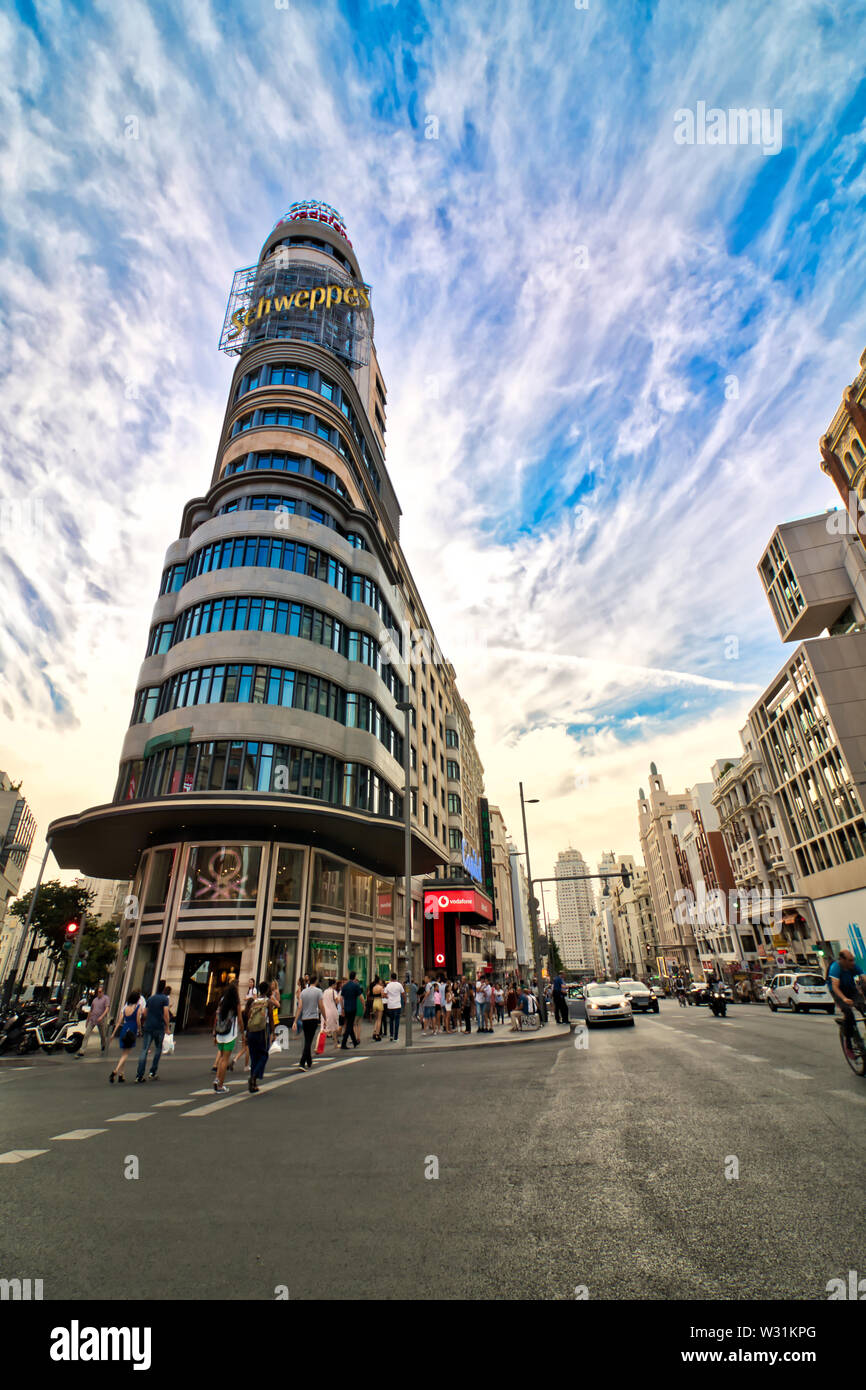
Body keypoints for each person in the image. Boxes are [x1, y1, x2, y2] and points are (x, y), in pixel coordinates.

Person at [828, 949, 866, 1047]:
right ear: (842, 960)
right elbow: (835, 987)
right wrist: (844, 999)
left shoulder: (853, 966)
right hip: (838, 991)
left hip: (851, 988)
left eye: (853, 960)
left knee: (863, 1007)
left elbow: (864, 978)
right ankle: (848, 1040)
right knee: (848, 1013)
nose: (853, 963)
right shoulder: (835, 967)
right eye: (850, 960)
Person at [136, 980, 171, 1082]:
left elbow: (145, 1013)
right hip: (159, 1027)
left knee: (144, 1049)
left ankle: (139, 1075)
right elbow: (166, 1013)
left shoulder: (150, 999)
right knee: (158, 1049)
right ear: (164, 988)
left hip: (148, 1026)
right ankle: (152, 1072)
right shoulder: (164, 999)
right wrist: (167, 1027)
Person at [213, 982, 243, 1093]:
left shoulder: (222, 1000)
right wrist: (243, 1032)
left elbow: (216, 1017)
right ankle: (220, 1085)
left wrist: (214, 1033)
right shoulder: (236, 1003)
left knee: (221, 1057)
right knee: (225, 1059)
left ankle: (217, 1079)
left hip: (220, 1032)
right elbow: (239, 1019)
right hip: (230, 1034)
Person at [109, 990, 143, 1082]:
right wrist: (140, 1030)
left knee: (124, 1052)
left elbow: (119, 1021)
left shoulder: (125, 1008)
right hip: (132, 1030)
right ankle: (115, 1071)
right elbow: (138, 1020)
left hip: (124, 1029)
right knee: (126, 1054)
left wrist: (113, 1034)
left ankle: (121, 1074)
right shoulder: (138, 1007)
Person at [245, 981, 273, 1092]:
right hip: (262, 1030)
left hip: (251, 1030)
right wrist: (273, 1032)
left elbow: (248, 1016)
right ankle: (254, 1076)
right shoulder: (268, 1002)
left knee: (254, 1056)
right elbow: (270, 1017)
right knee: (264, 1054)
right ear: (267, 990)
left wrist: (247, 1032)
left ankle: (253, 1084)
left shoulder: (253, 1001)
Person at [294, 974, 326, 1070]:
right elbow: (321, 1006)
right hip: (313, 1018)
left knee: (307, 1038)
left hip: (305, 1018)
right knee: (309, 1041)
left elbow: (299, 1007)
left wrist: (295, 1020)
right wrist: (325, 1018)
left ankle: (309, 1060)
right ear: (316, 981)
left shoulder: (303, 992)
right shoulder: (318, 991)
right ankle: (302, 1062)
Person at [79, 984, 110, 1055]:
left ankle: (103, 1044)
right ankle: (82, 1050)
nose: (99, 993)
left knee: (102, 1034)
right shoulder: (95, 1000)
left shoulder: (106, 998)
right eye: (98, 992)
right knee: (87, 1034)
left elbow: (107, 1008)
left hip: (100, 1020)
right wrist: (87, 1020)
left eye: (100, 992)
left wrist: (102, 1016)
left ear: (103, 992)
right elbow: (91, 1010)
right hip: (93, 1019)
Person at [340, 971, 363, 1049]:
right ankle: (344, 1043)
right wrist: (364, 1005)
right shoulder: (356, 986)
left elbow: (341, 998)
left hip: (346, 1007)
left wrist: (342, 1008)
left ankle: (355, 1042)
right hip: (353, 1007)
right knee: (349, 1025)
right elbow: (361, 997)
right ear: (355, 977)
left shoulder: (345, 986)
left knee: (350, 1023)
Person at [384, 974, 405, 1041]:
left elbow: (384, 994)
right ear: (396, 977)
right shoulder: (399, 985)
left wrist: (388, 997)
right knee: (397, 1021)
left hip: (390, 1005)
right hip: (397, 1005)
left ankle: (391, 1035)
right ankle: (396, 1037)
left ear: (391, 978)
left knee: (391, 1021)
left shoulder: (388, 985)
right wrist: (404, 1001)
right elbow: (403, 994)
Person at [322, 978, 342, 1049]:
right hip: (332, 1011)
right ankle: (335, 1044)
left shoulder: (325, 991)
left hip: (325, 1012)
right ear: (333, 984)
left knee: (324, 1029)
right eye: (335, 984)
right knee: (334, 1028)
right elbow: (337, 1001)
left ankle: (320, 1045)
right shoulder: (334, 992)